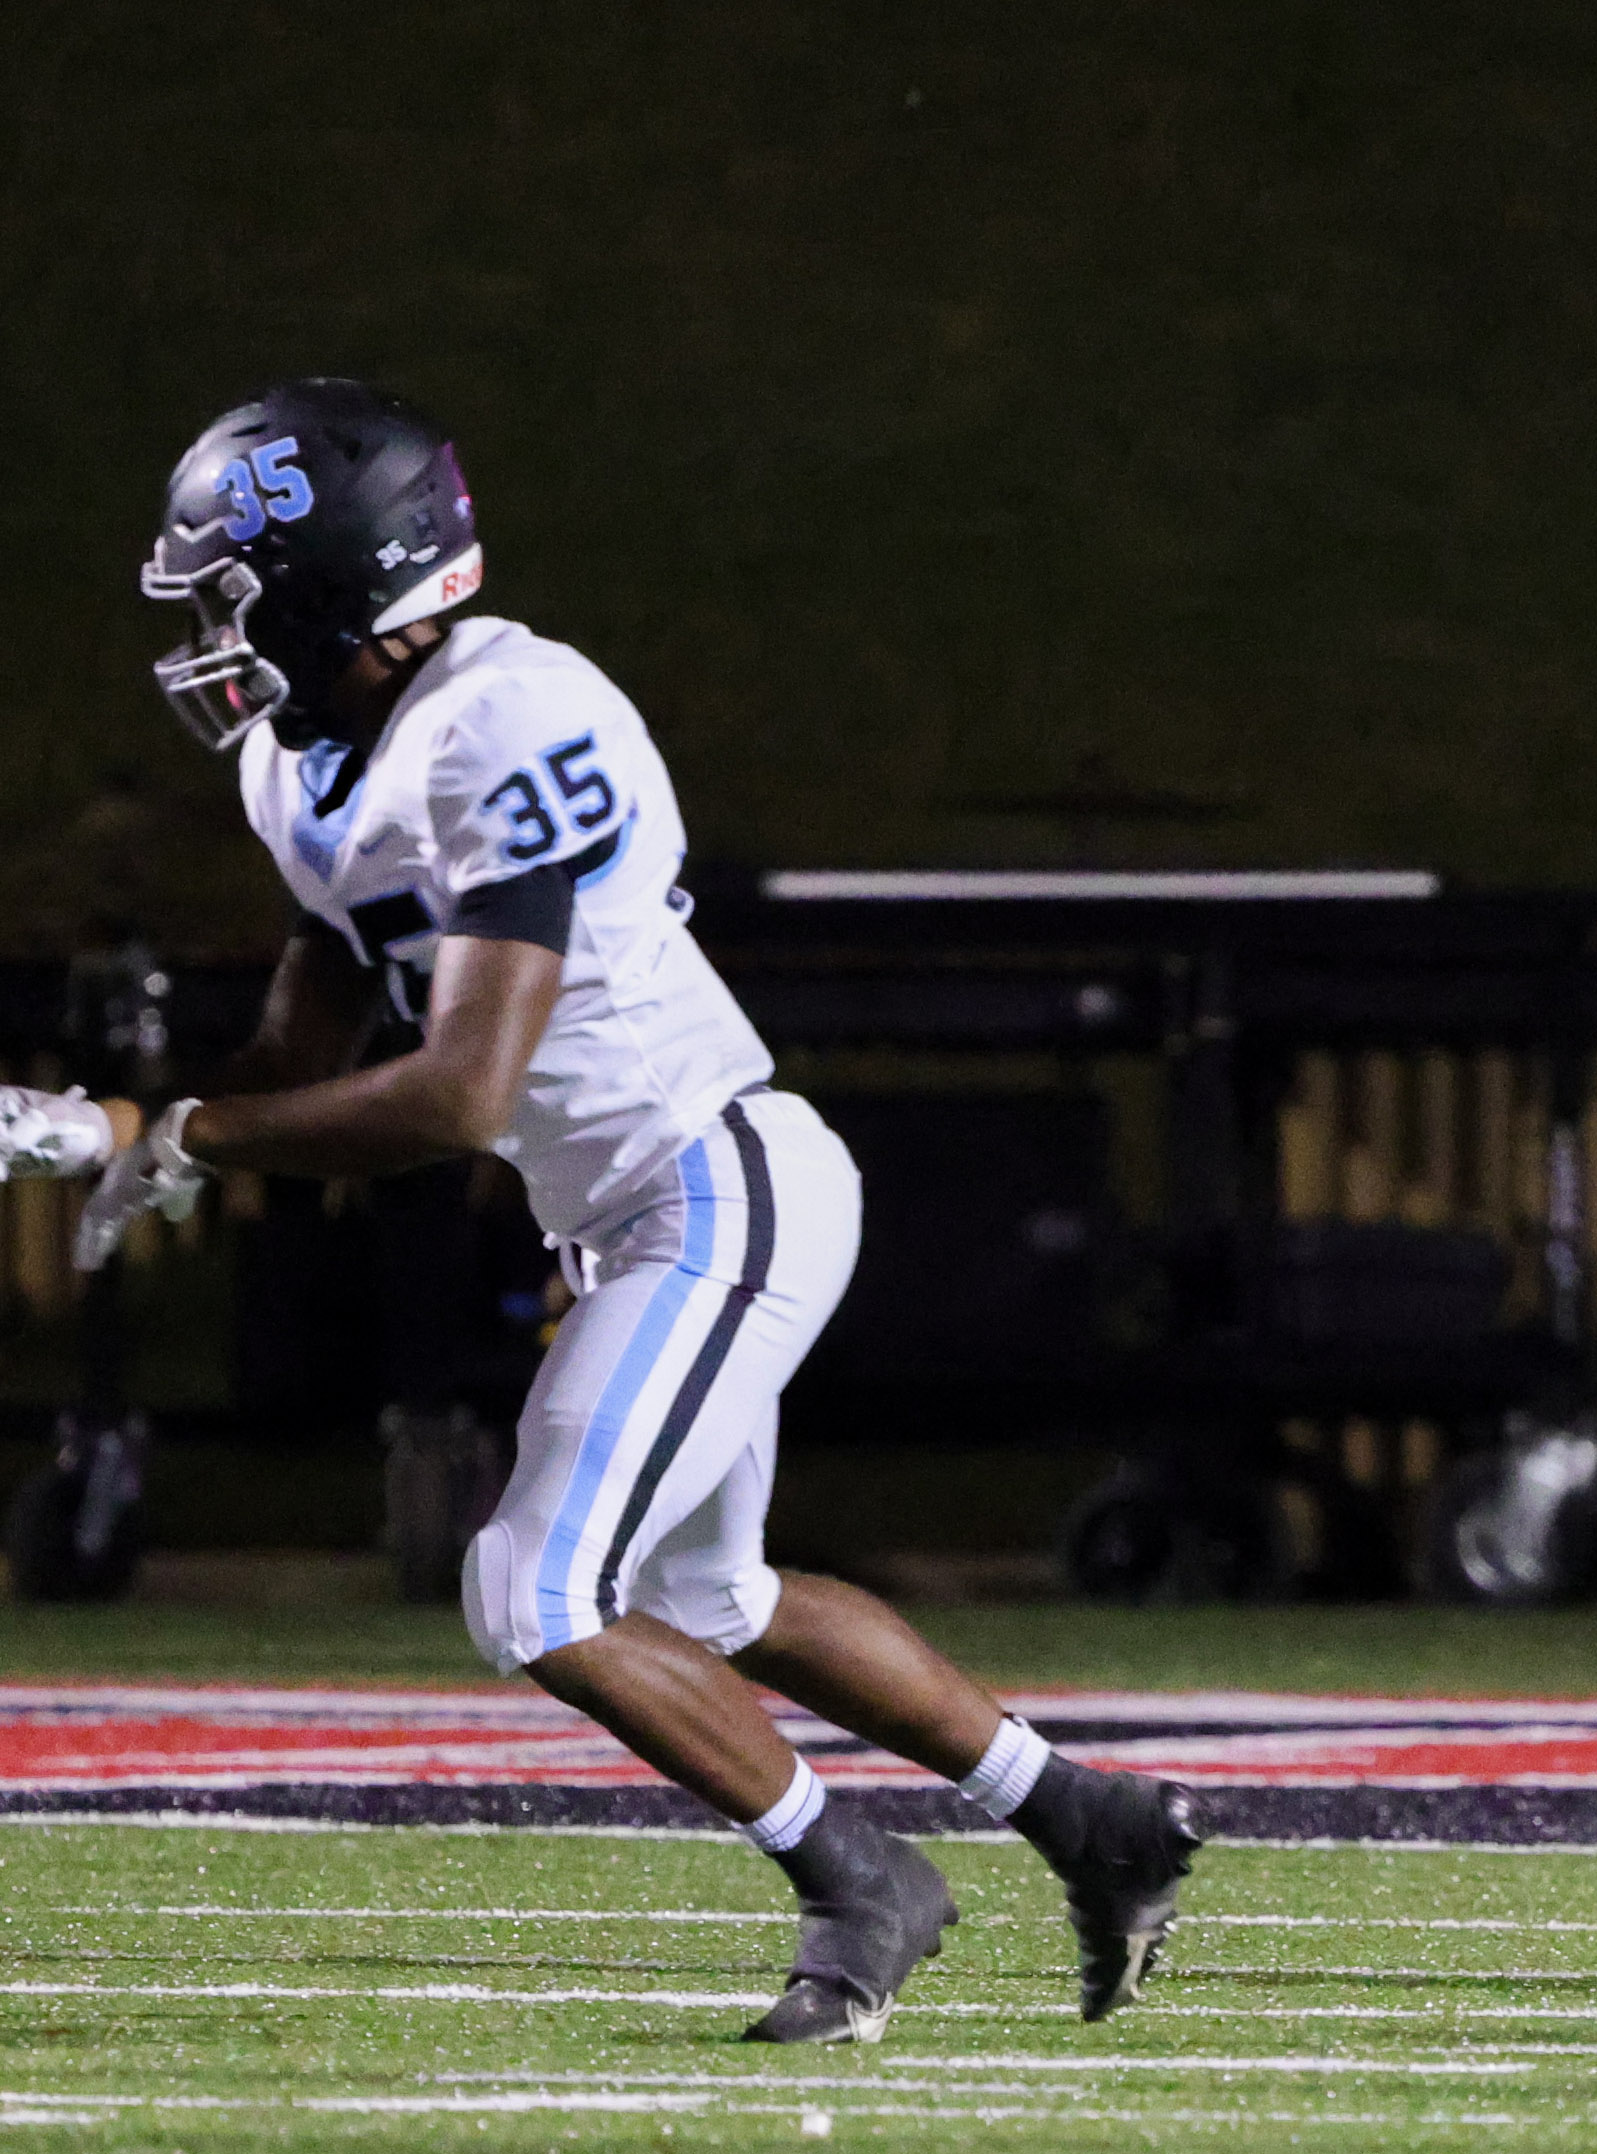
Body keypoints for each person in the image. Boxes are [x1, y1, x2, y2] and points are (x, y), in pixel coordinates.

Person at [0, 380, 1202, 2045]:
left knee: (536, 1589)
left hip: (716, 1184)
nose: (212, 629)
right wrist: (115, 1135)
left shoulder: (506, 718)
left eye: (231, 588)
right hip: (634, 1214)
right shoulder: (306, 762)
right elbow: (307, 1042)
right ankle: (1093, 1821)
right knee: (711, 1604)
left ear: (339, 582)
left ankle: (863, 1880)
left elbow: (458, 1094)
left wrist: (181, 1126)